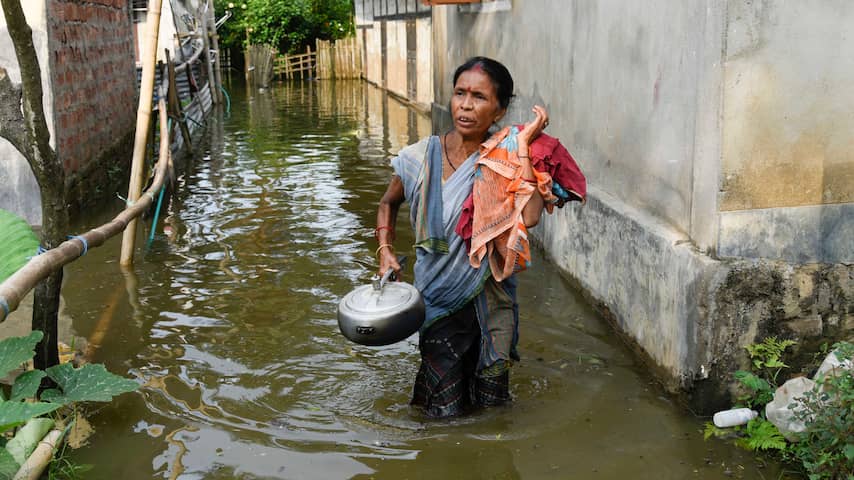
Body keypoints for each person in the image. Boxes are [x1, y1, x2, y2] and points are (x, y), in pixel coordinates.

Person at [375, 57, 549, 418]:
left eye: (479, 97)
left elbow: (530, 216)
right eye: (459, 93)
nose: (466, 105)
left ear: (499, 110)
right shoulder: (419, 157)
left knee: (492, 403)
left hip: (491, 303)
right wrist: (385, 250)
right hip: (438, 301)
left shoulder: (505, 159)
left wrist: (523, 147)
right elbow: (388, 202)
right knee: (442, 412)